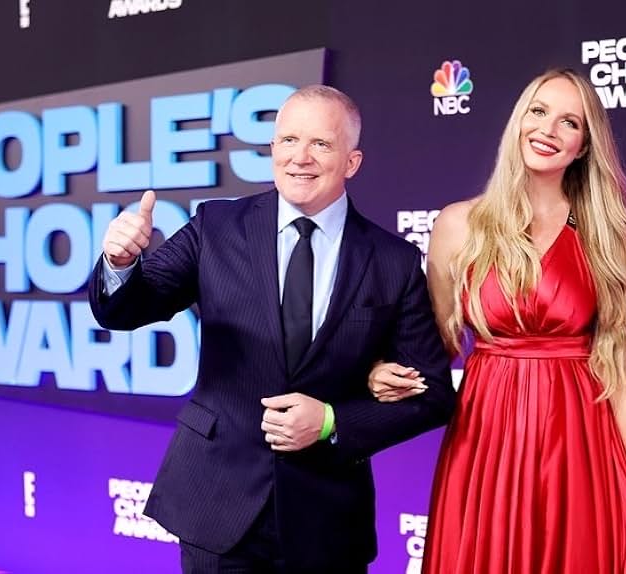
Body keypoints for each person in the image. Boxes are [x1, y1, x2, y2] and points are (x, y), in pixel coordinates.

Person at [88, 85, 456, 574]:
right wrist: (119, 261)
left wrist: (331, 421)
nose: (299, 157)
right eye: (287, 141)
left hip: (326, 518)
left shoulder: (394, 260)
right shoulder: (215, 225)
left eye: (321, 144)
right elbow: (127, 310)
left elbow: (429, 394)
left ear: (352, 161)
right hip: (218, 504)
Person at [368, 69, 626, 573]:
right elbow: (435, 342)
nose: (549, 130)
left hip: (582, 444)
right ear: (518, 123)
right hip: (488, 439)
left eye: (569, 122)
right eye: (539, 111)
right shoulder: (459, 224)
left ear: (583, 145)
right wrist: (384, 371)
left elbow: (623, 364)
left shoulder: (608, 235)